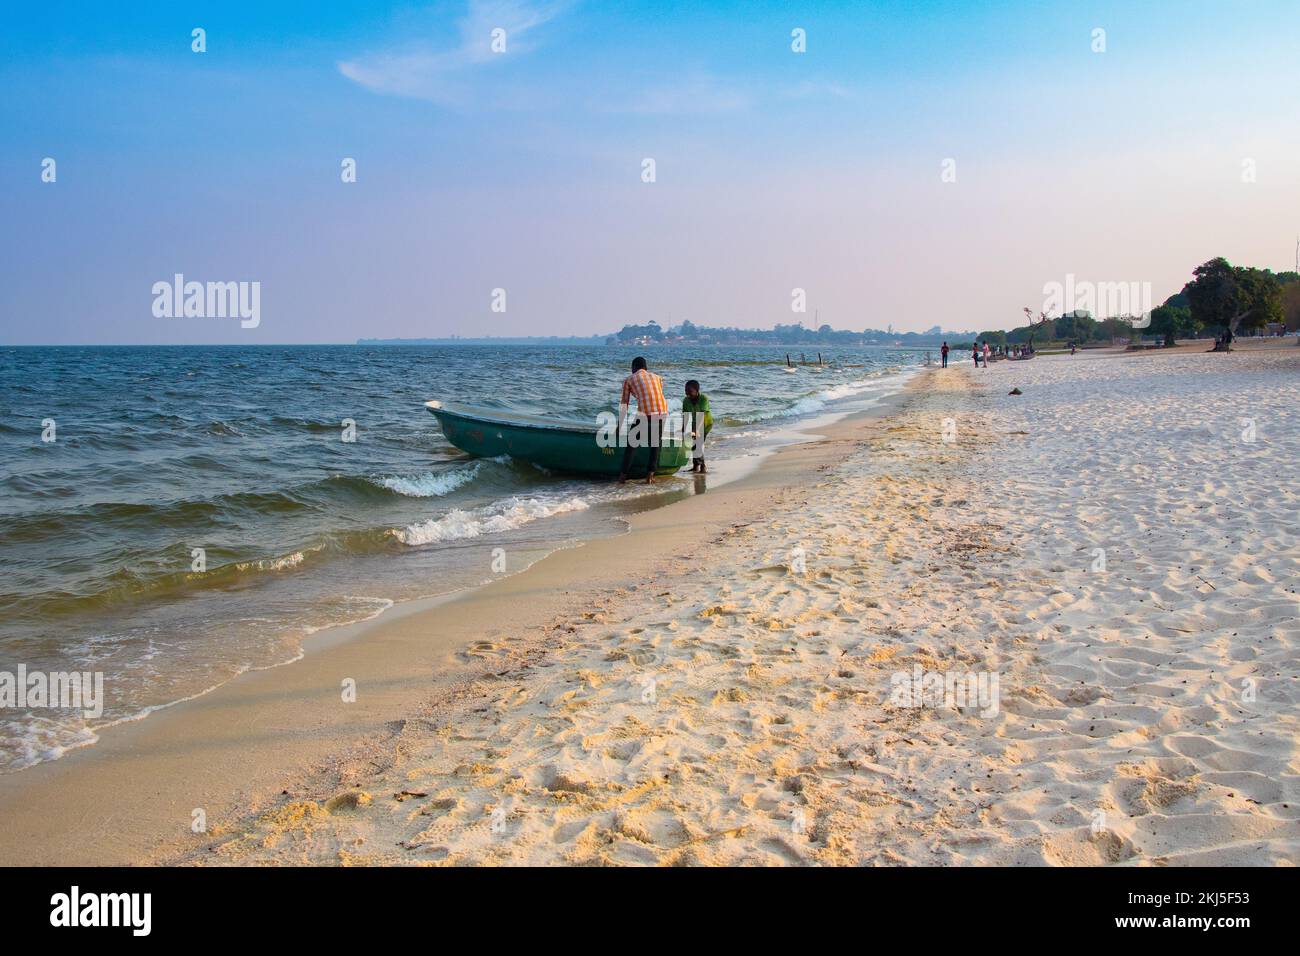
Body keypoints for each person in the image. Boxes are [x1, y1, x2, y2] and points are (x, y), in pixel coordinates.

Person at [618, 356, 668, 484]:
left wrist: (620, 425)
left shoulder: (629, 380)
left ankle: (622, 477)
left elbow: (624, 404)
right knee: (655, 444)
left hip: (645, 413)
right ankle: (650, 475)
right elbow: (655, 395)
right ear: (646, 368)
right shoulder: (658, 377)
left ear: (634, 368)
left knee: (632, 444)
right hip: (662, 411)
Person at [681, 379, 713, 473]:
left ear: (697, 390)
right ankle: (695, 466)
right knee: (692, 444)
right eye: (686, 390)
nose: (687, 393)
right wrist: (683, 429)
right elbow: (686, 416)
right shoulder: (686, 401)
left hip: (706, 424)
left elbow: (701, 415)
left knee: (697, 444)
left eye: (690, 391)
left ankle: (703, 466)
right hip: (694, 423)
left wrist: (697, 431)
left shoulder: (703, 398)